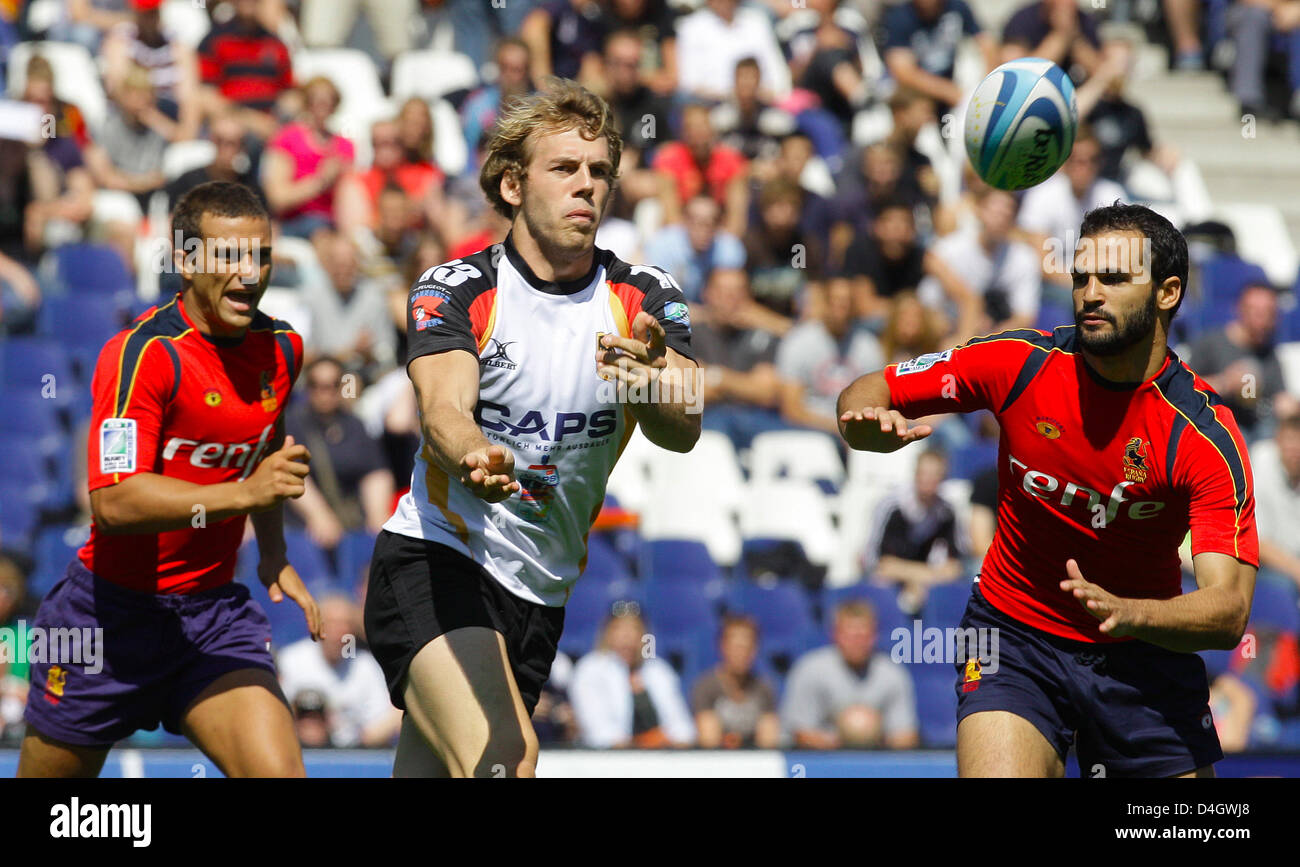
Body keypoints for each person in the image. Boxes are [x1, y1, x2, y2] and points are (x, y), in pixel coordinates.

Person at [838, 202, 1259, 777]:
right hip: (1013, 639)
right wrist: (863, 427)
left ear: (1167, 293)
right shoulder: (1018, 363)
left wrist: (1131, 613)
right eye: (1081, 275)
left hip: (1146, 658)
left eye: (1112, 278)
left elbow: (1229, 611)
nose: (1089, 292)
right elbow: (868, 390)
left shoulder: (1204, 437)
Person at [363, 79, 699, 777]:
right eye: (565, 168)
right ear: (513, 185)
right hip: (437, 558)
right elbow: (444, 407)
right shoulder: (457, 288)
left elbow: (685, 424)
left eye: (600, 171)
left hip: (540, 597)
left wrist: (654, 383)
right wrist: (474, 454)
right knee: (505, 761)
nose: (588, 186)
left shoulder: (645, 294)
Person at [18, 181, 323, 778]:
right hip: (102, 622)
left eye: (260, 256)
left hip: (212, 622)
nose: (249, 274)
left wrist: (274, 551)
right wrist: (245, 493)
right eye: (228, 257)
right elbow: (113, 502)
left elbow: (267, 450)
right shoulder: (143, 354)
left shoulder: (282, 348)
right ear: (184, 260)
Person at [286, 356, 396, 548]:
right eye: (316, 384)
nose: (325, 392)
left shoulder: (355, 425)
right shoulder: (293, 423)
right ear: (307, 386)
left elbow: (375, 472)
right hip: (301, 530)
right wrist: (318, 515)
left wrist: (377, 515)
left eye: (333, 384)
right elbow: (290, 474)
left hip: (351, 527)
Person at [782, 600, 919, 749]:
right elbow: (800, 732)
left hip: (877, 759)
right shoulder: (810, 669)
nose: (857, 643)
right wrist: (845, 741)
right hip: (822, 761)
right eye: (850, 636)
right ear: (835, 635)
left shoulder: (892, 674)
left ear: (874, 636)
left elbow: (905, 735)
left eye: (863, 636)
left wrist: (870, 737)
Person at [277, 593, 402, 747]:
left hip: (353, 753)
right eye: (333, 624)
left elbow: (380, 720)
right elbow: (277, 716)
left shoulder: (365, 666)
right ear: (317, 625)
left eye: (346, 625)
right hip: (298, 749)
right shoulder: (292, 660)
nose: (340, 633)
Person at [570, 609, 696, 748]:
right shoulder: (590, 669)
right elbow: (600, 733)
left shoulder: (659, 670)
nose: (627, 636)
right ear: (607, 634)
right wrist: (644, 742)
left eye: (634, 629)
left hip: (662, 757)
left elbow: (683, 728)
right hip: (608, 760)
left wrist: (668, 741)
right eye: (619, 629)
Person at [777, 279, 883, 436]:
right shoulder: (798, 342)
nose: (841, 308)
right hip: (810, 430)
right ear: (824, 303)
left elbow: (878, 399)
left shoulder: (868, 346)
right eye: (836, 301)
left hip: (858, 429)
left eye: (846, 302)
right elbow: (792, 409)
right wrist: (837, 429)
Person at [1187, 283, 1292, 441]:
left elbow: (1280, 398)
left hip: (1261, 431)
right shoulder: (1211, 344)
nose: (1263, 321)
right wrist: (1225, 383)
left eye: (1269, 314)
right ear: (1240, 310)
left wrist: (1290, 407)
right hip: (1216, 428)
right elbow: (1185, 390)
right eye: (1257, 313)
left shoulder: (1268, 353)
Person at [866, 449, 965, 613]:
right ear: (915, 474)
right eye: (923, 473)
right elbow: (878, 563)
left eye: (934, 474)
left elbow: (954, 566)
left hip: (928, 583)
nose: (928, 480)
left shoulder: (947, 512)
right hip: (890, 582)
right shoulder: (892, 507)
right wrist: (921, 576)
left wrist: (916, 577)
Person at [263, 76, 356, 239]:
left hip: (334, 223)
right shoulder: (287, 138)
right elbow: (278, 198)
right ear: (307, 103)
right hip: (295, 222)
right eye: (317, 100)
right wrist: (321, 181)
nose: (323, 105)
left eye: (329, 100)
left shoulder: (345, 146)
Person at [691, 615, 781, 749]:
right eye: (736, 647)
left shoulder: (764, 688)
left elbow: (769, 740)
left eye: (747, 648)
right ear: (723, 647)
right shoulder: (706, 687)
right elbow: (709, 739)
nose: (741, 654)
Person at [1249, 413, 1300, 592]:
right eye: (1291, 439)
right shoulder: (1259, 464)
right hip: (1263, 568)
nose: (1296, 448)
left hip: (1293, 561)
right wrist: (1297, 571)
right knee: (1283, 586)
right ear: (1278, 440)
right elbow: (1258, 543)